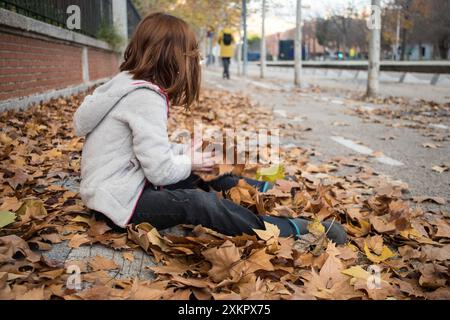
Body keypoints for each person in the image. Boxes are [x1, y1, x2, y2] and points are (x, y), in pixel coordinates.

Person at [73, 12, 347, 244]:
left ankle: (261, 188)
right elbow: (159, 170)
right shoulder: (145, 97)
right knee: (197, 203)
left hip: (117, 188)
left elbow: (145, 150)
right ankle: (284, 230)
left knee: (203, 165)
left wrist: (187, 154)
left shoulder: (126, 84)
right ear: (174, 58)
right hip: (119, 203)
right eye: (190, 55)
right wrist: (189, 160)